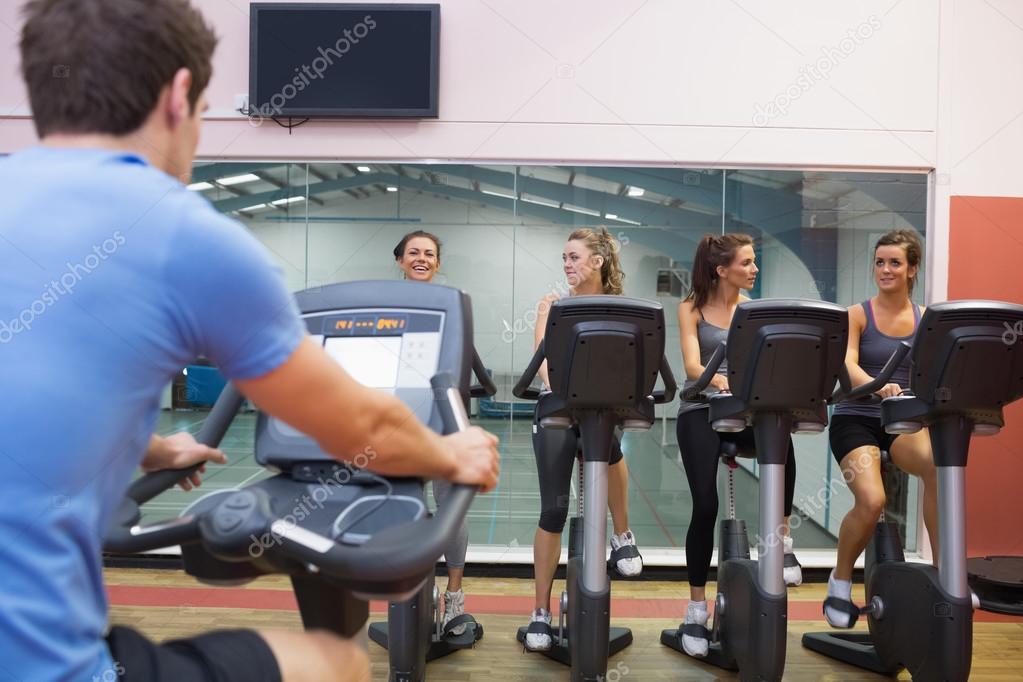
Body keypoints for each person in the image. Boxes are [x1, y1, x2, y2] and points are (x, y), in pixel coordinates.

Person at [0, 2, 500, 681]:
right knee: (335, 662)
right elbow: (364, 428)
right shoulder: (180, 233)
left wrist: (153, 448)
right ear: (180, 96)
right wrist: (450, 453)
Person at [674, 233, 802, 657]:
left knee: (781, 441)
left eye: (754, 262)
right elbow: (693, 365)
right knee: (705, 505)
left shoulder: (752, 313)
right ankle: (696, 610)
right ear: (721, 270)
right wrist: (718, 377)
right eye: (747, 263)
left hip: (744, 411)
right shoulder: (690, 309)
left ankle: (781, 545)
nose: (754, 269)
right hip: (701, 411)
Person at [523, 227, 644, 652]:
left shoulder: (623, 308)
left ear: (598, 261)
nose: (567, 265)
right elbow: (544, 363)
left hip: (600, 408)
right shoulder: (551, 305)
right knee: (553, 511)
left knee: (610, 444)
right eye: (564, 258)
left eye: (574, 257)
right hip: (557, 407)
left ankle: (621, 536)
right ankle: (540, 610)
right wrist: (567, 389)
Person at [824, 229, 937, 628]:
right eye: (880, 262)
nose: (885, 269)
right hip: (857, 418)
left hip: (902, 422)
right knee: (872, 501)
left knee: (937, 469)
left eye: (894, 263)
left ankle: (946, 578)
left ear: (912, 269)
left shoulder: (926, 319)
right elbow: (848, 364)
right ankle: (839, 582)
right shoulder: (857, 314)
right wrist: (875, 383)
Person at [392, 229, 471, 636]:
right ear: (400, 260)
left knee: (451, 509)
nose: (421, 258)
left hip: (444, 419)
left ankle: (454, 597)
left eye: (429, 254)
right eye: (414, 253)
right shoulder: (385, 305)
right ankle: (411, 592)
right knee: (405, 509)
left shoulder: (452, 306)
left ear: (438, 263)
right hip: (399, 420)